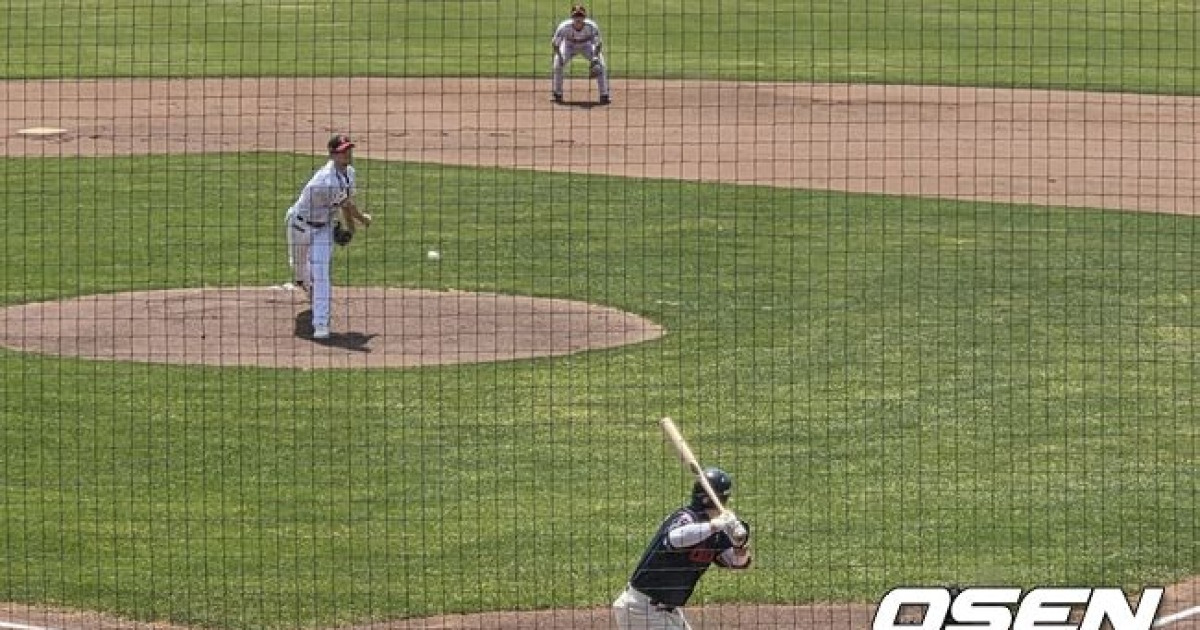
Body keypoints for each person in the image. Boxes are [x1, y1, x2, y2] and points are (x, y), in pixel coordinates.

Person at [613, 467, 752, 629]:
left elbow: (737, 562)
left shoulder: (717, 533)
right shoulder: (686, 518)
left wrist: (738, 544)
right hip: (641, 609)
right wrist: (715, 525)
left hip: (665, 611)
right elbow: (675, 538)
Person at [282, 134, 372, 339]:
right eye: (342, 151)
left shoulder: (349, 173)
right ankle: (305, 285)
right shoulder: (325, 181)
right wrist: (358, 224)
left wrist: (353, 227)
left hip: (324, 228)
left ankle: (321, 323)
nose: (347, 154)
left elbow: (347, 200)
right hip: (299, 225)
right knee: (299, 270)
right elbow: (347, 206)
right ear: (332, 155)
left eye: (349, 149)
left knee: (321, 272)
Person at [551, 4, 612, 104]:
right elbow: (555, 43)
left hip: (586, 46)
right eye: (576, 16)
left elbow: (598, 43)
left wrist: (595, 57)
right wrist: (560, 57)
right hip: (568, 46)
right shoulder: (564, 27)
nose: (578, 18)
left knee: (601, 65)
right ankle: (558, 94)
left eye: (580, 16)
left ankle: (604, 95)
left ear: (584, 17)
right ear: (572, 17)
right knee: (557, 64)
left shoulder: (591, 26)